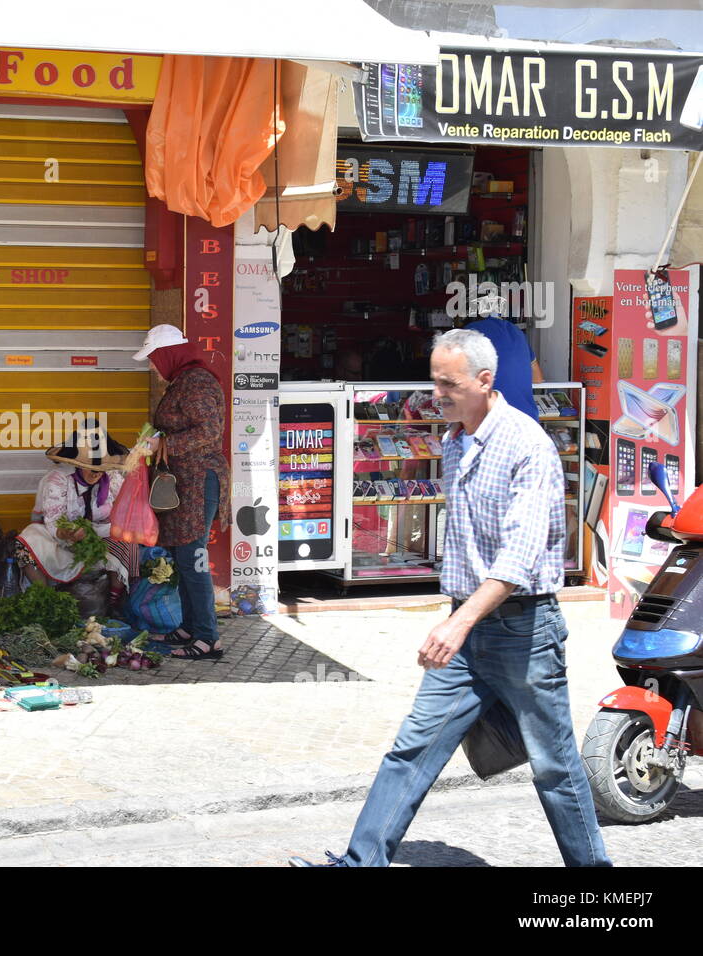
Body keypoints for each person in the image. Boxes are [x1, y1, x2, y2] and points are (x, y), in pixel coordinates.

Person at [290, 328, 610, 867]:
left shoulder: (527, 445)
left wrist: (458, 623)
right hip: (465, 630)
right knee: (411, 750)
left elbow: (519, 557)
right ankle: (359, 863)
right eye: (433, 380)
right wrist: (457, 619)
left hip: (522, 631)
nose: (435, 393)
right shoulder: (455, 438)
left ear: (485, 381)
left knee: (554, 765)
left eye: (448, 383)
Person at [134, 324, 231, 660]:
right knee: (181, 556)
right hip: (182, 482)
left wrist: (166, 443)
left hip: (198, 480)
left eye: (152, 359)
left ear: (167, 354)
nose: (151, 366)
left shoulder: (197, 382)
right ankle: (190, 627)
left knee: (193, 559)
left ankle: (208, 639)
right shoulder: (183, 381)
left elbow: (209, 430)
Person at [16, 420, 131, 604]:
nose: (96, 474)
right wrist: (67, 533)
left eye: (100, 468)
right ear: (77, 463)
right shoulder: (59, 479)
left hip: (99, 538)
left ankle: (114, 601)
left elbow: (127, 510)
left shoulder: (112, 477)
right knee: (25, 544)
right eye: (91, 468)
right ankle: (46, 601)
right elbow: (53, 520)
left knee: (129, 540)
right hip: (61, 539)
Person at [465, 317, 542, 420]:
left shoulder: (470, 332)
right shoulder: (516, 332)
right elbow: (537, 378)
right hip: (527, 418)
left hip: (491, 420)